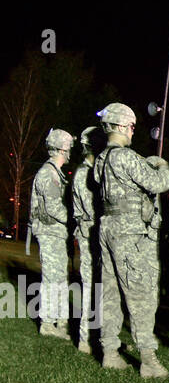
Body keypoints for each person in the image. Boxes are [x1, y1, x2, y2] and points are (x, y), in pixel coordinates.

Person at [92, 103, 169, 376]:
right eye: (130, 126)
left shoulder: (102, 158)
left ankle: (110, 352)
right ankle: (149, 360)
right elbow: (158, 184)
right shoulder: (124, 157)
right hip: (128, 231)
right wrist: (163, 167)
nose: (132, 131)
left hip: (107, 227)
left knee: (111, 292)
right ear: (117, 126)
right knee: (140, 294)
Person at [32, 128, 75, 339]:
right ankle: (48, 323)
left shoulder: (54, 173)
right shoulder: (47, 174)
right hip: (49, 232)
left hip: (55, 233)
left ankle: (58, 321)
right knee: (52, 278)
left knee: (59, 277)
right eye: (68, 148)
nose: (70, 152)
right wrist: (76, 219)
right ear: (62, 149)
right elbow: (53, 208)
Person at [70, 127, 102, 354]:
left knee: (98, 289)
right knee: (91, 288)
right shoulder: (84, 173)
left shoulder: (92, 171)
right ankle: (85, 339)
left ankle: (97, 336)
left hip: (95, 234)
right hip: (89, 234)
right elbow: (91, 209)